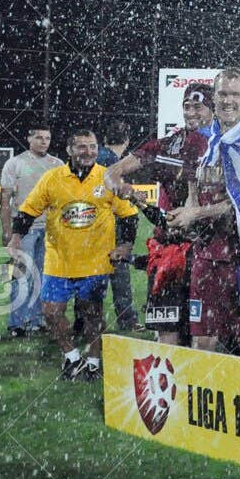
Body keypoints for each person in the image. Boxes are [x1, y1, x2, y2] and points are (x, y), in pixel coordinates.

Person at [8, 127, 138, 380]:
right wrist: (15, 238)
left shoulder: (107, 177)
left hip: (96, 262)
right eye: (82, 146)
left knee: (93, 315)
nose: (88, 152)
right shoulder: (52, 178)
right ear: (69, 150)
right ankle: (71, 357)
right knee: (51, 313)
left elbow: (129, 215)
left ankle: (92, 361)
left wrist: (126, 245)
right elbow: (28, 211)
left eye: (92, 147)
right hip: (59, 262)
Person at [167, 68, 240, 354]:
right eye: (223, 94)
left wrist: (195, 214)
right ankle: (202, 394)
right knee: (203, 337)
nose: (228, 101)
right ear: (214, 97)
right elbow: (190, 181)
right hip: (208, 252)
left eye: (235, 94)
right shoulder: (201, 138)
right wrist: (187, 210)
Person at [107, 86, 214, 345]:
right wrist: (123, 188)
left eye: (198, 106)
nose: (191, 112)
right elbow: (112, 172)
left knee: (207, 334)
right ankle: (167, 382)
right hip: (169, 249)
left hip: (210, 248)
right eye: (187, 106)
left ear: (213, 109)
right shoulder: (169, 143)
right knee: (167, 328)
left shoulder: (225, 143)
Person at [0, 125, 60, 338]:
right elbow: (5, 199)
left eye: (47, 138)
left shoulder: (57, 164)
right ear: (29, 139)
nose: (44, 141)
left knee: (44, 277)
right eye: (39, 138)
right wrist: (7, 230)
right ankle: (16, 322)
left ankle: (36, 320)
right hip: (24, 229)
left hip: (50, 229)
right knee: (21, 274)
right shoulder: (15, 163)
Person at [94, 119, 139, 333]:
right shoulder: (114, 162)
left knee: (91, 277)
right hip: (110, 229)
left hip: (91, 229)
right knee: (119, 274)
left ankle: (87, 322)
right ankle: (127, 319)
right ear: (127, 141)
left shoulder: (97, 156)